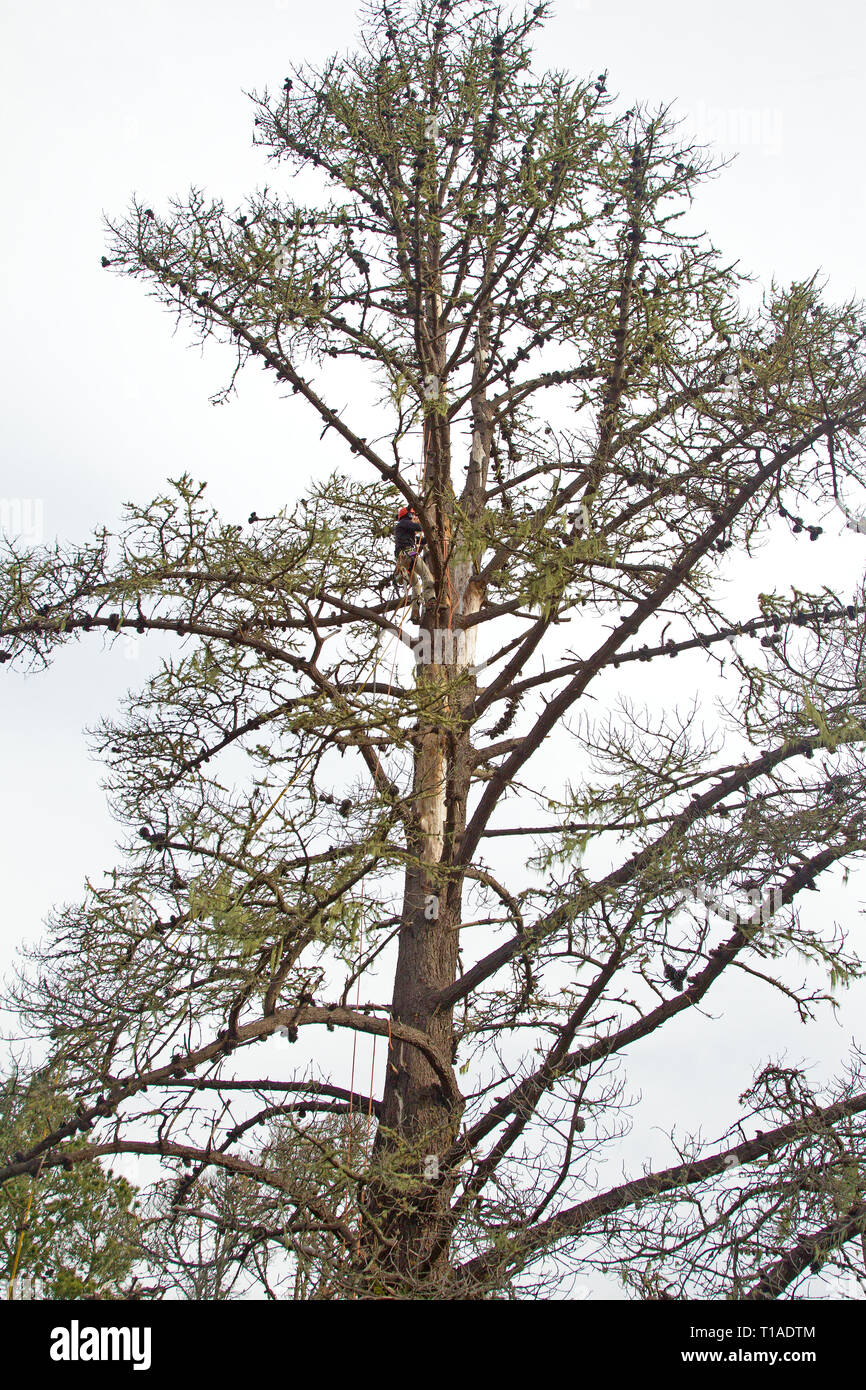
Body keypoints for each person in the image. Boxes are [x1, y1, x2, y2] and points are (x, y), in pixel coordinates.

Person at [393, 506, 434, 622]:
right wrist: (420, 519)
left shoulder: (404, 530)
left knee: (416, 585)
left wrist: (432, 538)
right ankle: (431, 599)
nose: (414, 517)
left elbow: (419, 539)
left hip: (404, 559)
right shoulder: (404, 523)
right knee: (426, 575)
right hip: (408, 554)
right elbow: (419, 527)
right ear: (409, 515)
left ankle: (415, 614)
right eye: (413, 515)